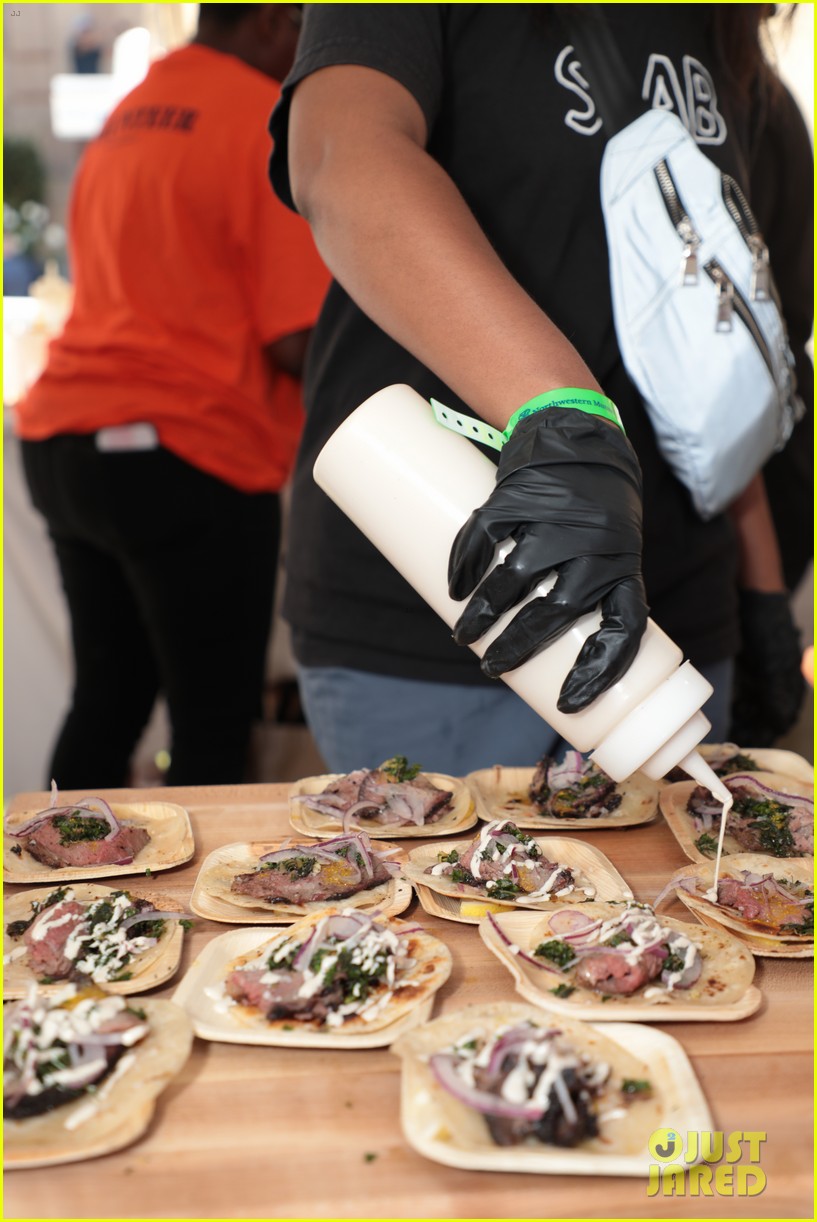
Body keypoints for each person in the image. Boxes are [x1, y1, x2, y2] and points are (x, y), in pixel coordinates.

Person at [268, 3, 812, 776]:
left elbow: (710, 350)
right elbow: (339, 157)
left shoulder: (722, 35)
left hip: (672, 620)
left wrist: (759, 593)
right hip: (447, 606)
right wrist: (563, 413)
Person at [16, 3, 330, 788]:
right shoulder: (261, 119)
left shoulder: (133, 111)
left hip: (66, 442)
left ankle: (46, 896)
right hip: (187, 452)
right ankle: (210, 913)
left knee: (107, 706)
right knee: (212, 729)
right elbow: (294, 337)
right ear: (271, 20)